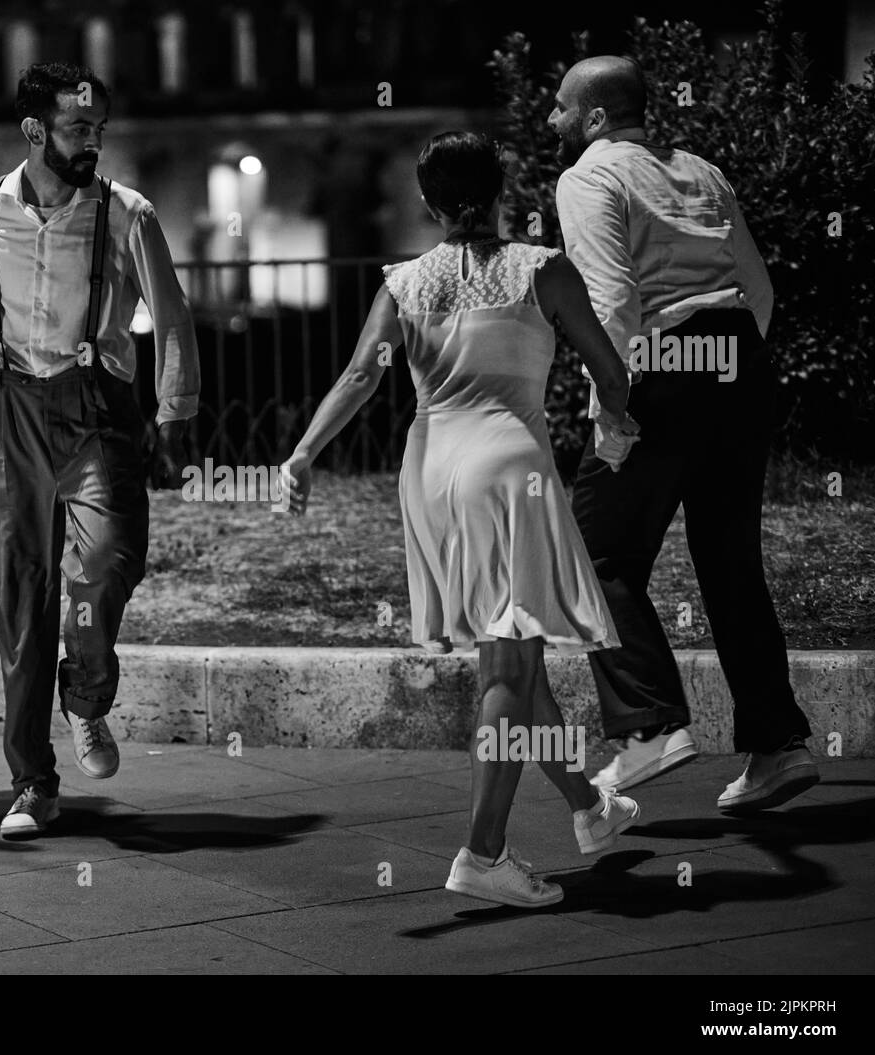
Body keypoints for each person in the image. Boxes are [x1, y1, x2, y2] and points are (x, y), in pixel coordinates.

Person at [280, 132, 642, 908]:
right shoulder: (540, 268)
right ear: (503, 186)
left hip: (432, 470)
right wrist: (618, 427)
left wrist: (303, 455)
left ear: (427, 203)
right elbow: (608, 369)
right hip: (509, 469)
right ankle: (482, 854)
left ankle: (587, 805)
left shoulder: (405, 282)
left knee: (513, 655)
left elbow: (357, 376)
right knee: (510, 663)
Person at [549, 56, 819, 812]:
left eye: (561, 108)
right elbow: (757, 285)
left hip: (662, 364)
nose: (552, 121)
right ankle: (778, 747)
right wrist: (732, 363)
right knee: (731, 562)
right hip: (740, 362)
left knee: (593, 552)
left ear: (596, 116)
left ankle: (648, 728)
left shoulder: (589, 178)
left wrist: (612, 408)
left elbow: (611, 297)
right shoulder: (701, 169)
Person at [0, 63, 201, 839]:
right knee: (20, 599)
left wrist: (176, 409)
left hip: (97, 406)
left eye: (98, 128)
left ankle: (86, 697)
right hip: (7, 406)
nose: (94, 142)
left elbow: (172, 318)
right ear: (35, 132)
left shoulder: (128, 214)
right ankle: (33, 782)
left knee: (106, 565)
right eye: (78, 130)